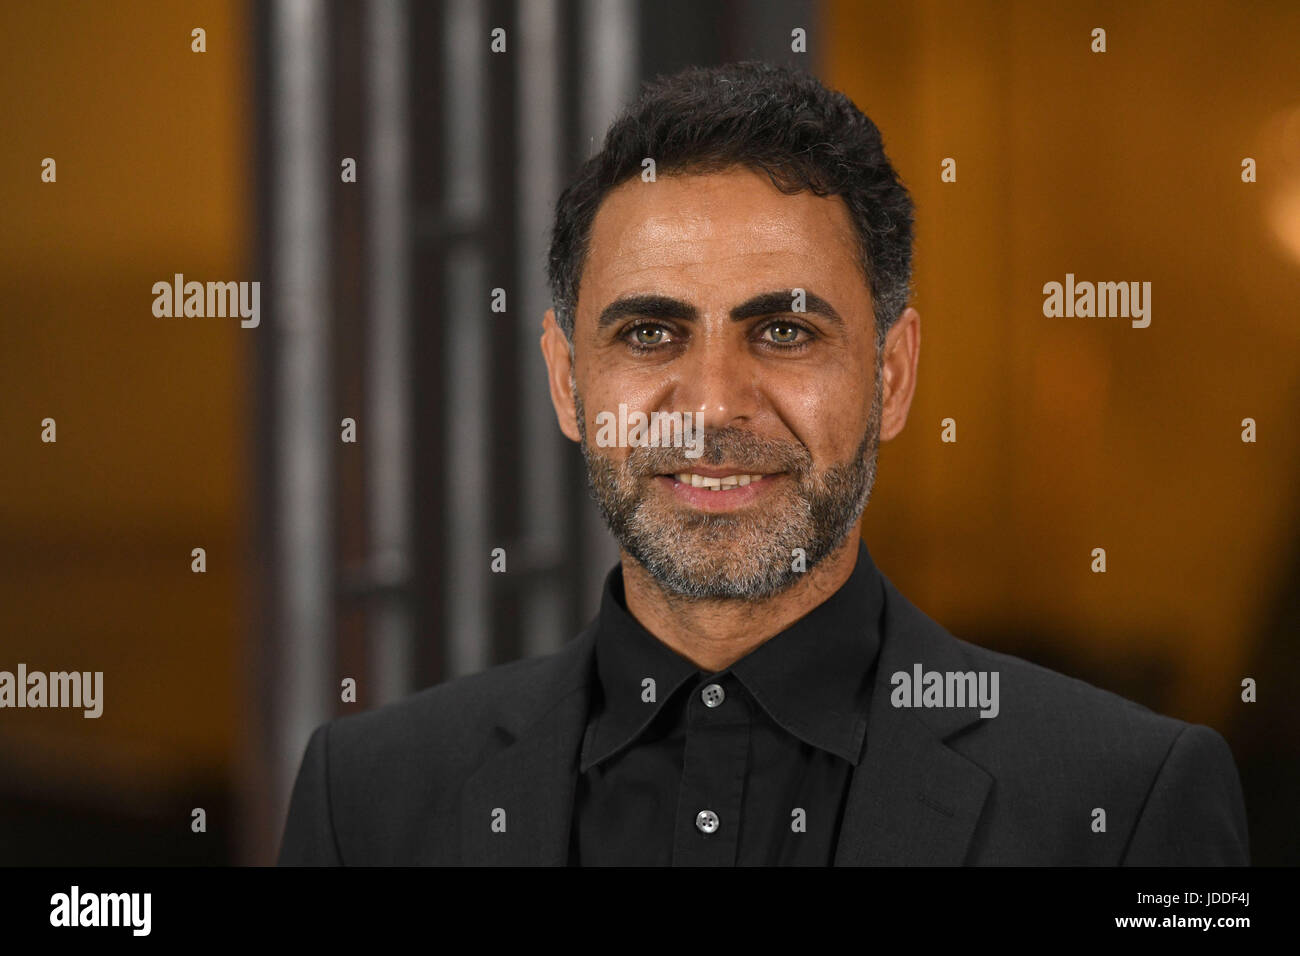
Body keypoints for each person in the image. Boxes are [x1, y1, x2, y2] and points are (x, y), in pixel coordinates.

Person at [277, 61, 1248, 866]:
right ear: (567, 383)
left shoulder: (1126, 806)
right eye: (651, 332)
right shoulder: (365, 803)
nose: (713, 405)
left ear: (893, 375)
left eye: (783, 329)